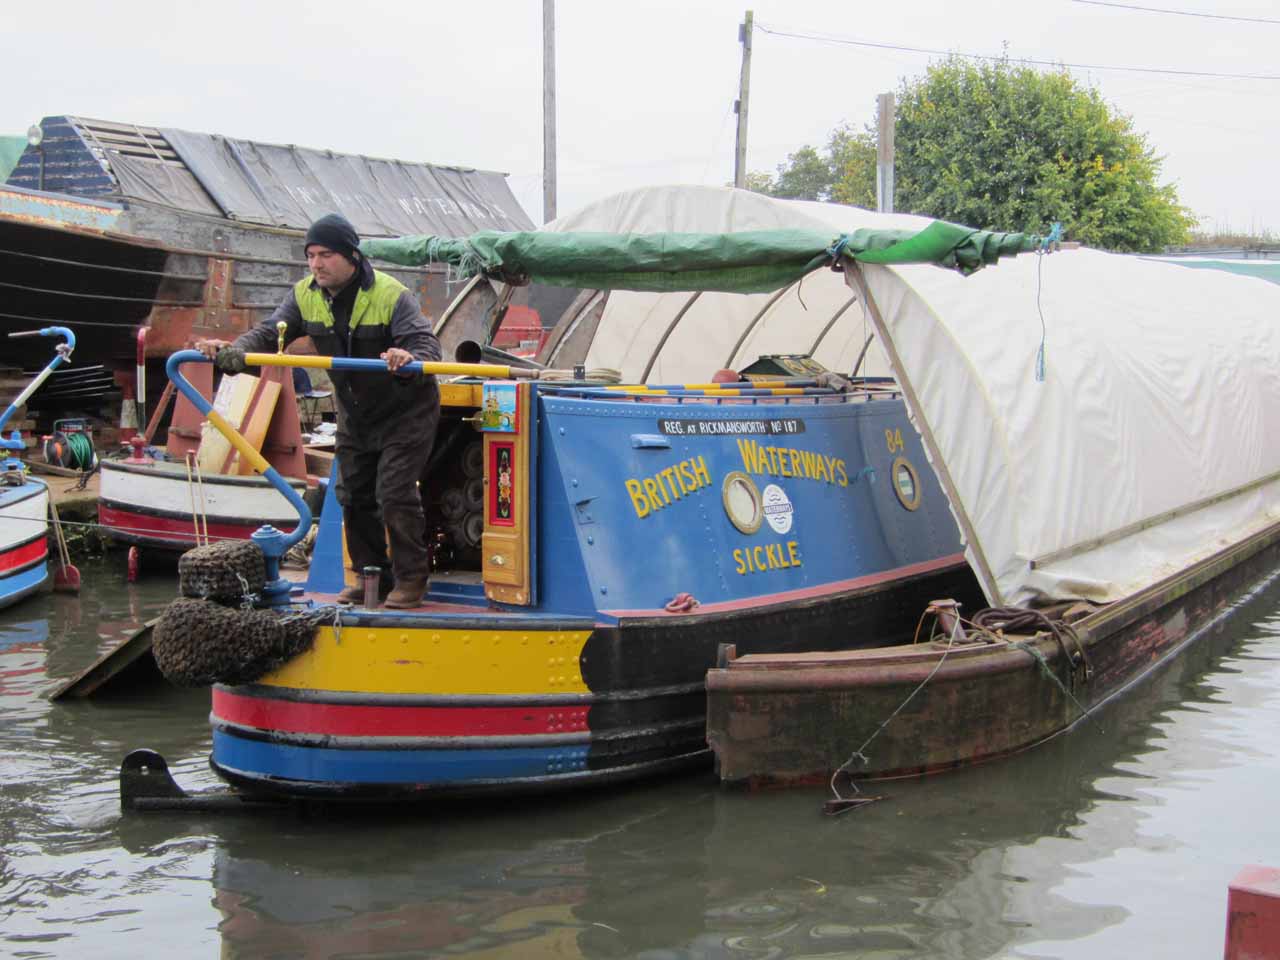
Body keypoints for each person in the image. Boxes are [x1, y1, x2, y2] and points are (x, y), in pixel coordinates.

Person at [196, 213, 441, 608]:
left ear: (352, 257)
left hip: (405, 410)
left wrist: (406, 355)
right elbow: (270, 331)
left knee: (393, 492)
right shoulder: (304, 294)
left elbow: (425, 345)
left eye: (326, 254)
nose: (316, 264)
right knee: (352, 494)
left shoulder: (391, 294)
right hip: (355, 413)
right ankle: (370, 574)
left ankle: (412, 579)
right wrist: (234, 351)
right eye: (310, 255)